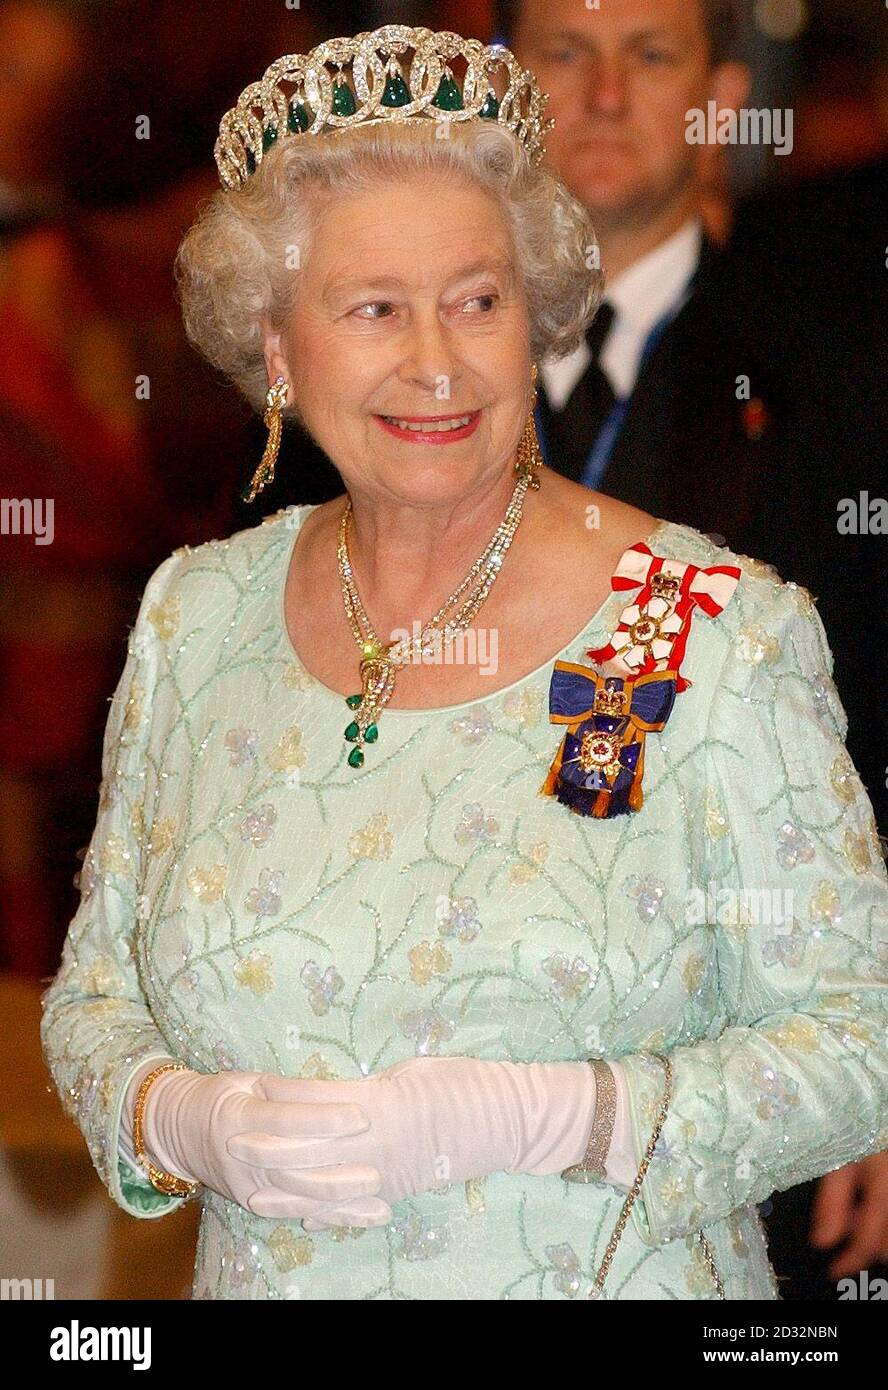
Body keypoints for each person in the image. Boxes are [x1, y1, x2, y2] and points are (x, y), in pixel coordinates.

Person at [40, 24, 888, 1301]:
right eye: (375, 308)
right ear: (278, 347)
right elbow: (94, 997)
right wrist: (176, 1117)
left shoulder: (707, 621)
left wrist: (561, 1118)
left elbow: (860, 1041)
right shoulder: (194, 615)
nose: (436, 361)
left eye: (478, 301)